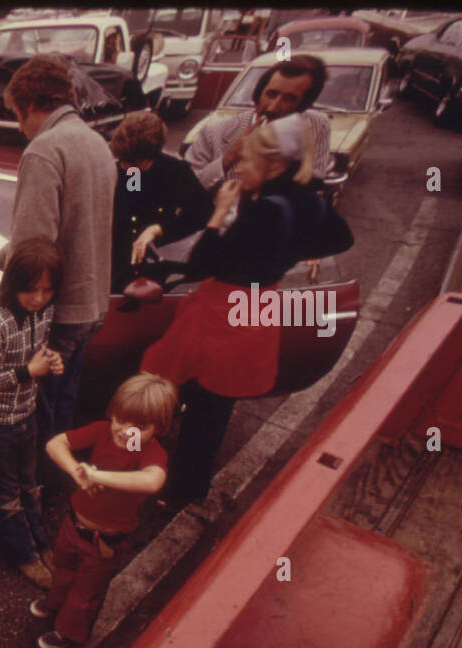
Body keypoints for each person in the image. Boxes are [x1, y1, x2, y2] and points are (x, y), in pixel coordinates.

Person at [141, 113, 329, 510]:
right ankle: (188, 486)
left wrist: (218, 213)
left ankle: (181, 490)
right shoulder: (297, 201)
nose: (239, 167)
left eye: (248, 160)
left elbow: (201, 262)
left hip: (226, 310)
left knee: (199, 405)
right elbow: (339, 236)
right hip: (256, 306)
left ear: (275, 165)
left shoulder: (263, 210)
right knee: (214, 404)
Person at [0, 54, 116, 445]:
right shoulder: (97, 142)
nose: (20, 128)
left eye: (17, 116)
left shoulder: (45, 151)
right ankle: (59, 473)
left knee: (35, 410)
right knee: (65, 400)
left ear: (29, 105)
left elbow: (33, 250)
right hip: (93, 303)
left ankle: (39, 484)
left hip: (56, 312)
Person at [33, 372, 177, 648]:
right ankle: (55, 603)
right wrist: (77, 472)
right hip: (73, 524)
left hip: (104, 542)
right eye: (121, 421)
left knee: (86, 593)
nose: (126, 432)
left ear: (158, 428)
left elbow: (153, 480)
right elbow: (54, 444)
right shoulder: (101, 431)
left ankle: (68, 631)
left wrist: (98, 477)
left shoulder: (150, 453)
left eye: (140, 427)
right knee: (62, 569)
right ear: (112, 414)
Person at [0, 237, 66, 588]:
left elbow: (41, 351)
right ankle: (24, 555)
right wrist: (27, 372)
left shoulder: (46, 313)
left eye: (47, 290)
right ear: (13, 285)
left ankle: (41, 543)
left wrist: (51, 360)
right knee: (7, 494)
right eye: (31, 290)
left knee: (30, 484)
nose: (39, 298)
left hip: (26, 416)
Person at [185, 54, 331, 191]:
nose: (273, 107)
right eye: (271, 94)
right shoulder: (214, 132)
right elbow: (187, 188)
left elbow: (313, 184)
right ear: (258, 92)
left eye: (289, 99)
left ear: (304, 105)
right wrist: (229, 157)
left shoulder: (317, 124)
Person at [109, 111, 212, 286]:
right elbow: (130, 205)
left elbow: (203, 213)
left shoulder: (175, 172)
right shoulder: (123, 169)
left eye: (134, 164)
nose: (127, 169)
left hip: (155, 267)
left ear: (152, 157)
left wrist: (159, 229)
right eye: (123, 161)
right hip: (113, 263)